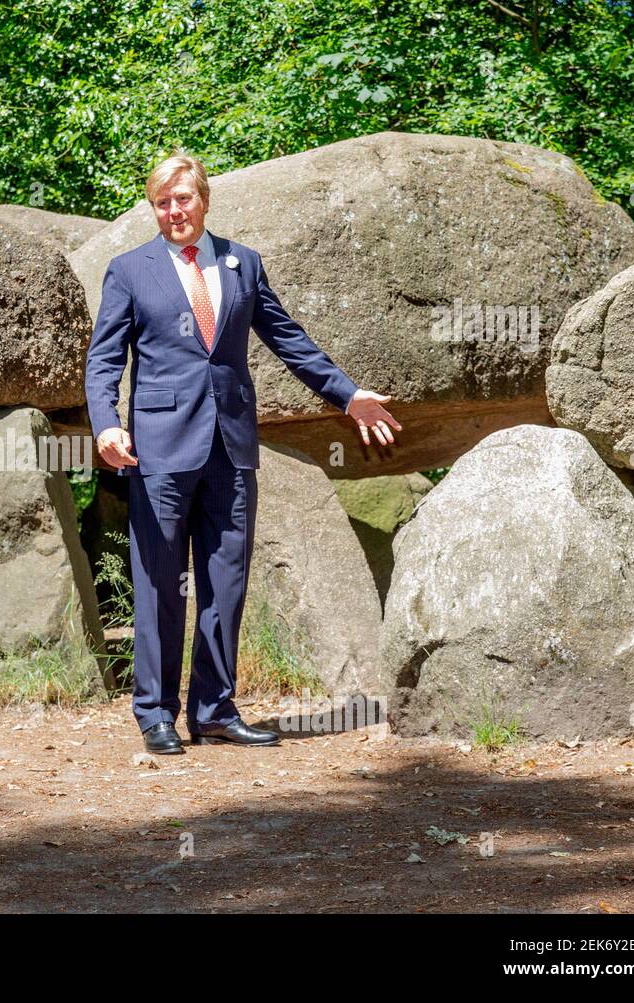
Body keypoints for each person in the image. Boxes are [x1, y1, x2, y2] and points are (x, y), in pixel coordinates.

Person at [84, 151, 401, 755]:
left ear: (203, 199)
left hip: (231, 449)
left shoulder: (241, 263)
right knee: (159, 585)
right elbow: (103, 360)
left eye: (183, 199)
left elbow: (288, 340)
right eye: (162, 203)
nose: (174, 212)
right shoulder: (128, 271)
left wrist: (348, 396)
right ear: (154, 209)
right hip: (160, 451)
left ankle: (213, 709)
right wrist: (106, 426)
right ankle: (155, 714)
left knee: (224, 580)